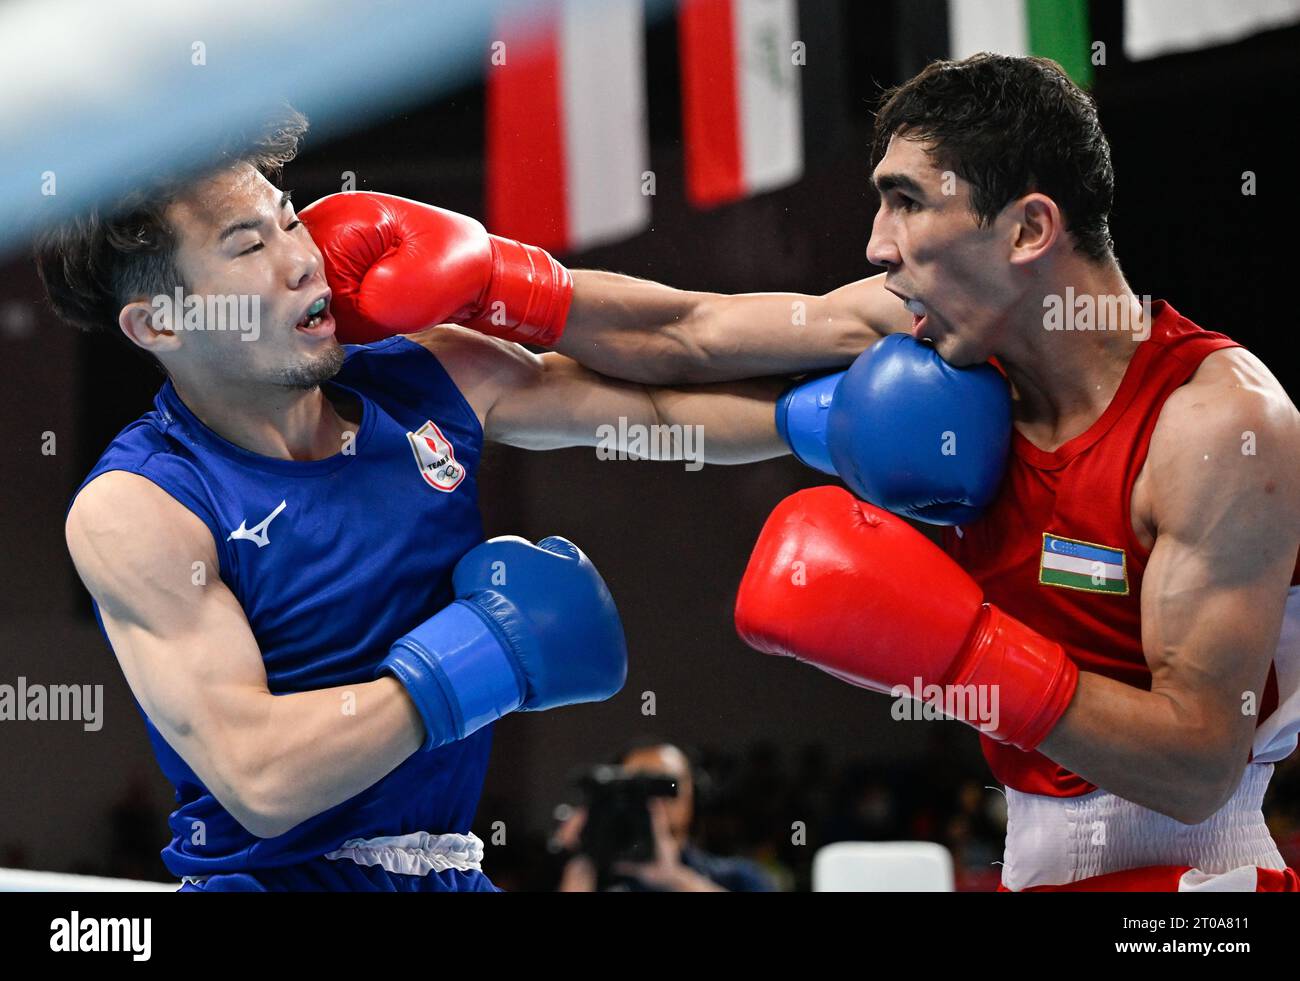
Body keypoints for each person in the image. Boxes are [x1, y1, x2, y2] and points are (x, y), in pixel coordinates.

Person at [42, 109, 985, 891]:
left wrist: (829, 418)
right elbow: (260, 774)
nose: (298, 258)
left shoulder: (422, 380)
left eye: (289, 218)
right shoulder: (142, 507)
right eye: (247, 245)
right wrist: (481, 656)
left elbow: (658, 393)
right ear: (158, 319)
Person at [731, 54, 1300, 891]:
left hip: (1196, 888)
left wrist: (962, 656)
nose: (875, 243)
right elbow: (686, 336)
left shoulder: (1221, 422)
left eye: (907, 200)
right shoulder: (961, 384)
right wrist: (516, 294)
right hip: (1026, 868)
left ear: (1029, 230)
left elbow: (1197, 771)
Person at [554, 742, 776, 892]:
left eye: (665, 787)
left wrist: (677, 879)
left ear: (692, 794)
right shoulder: (590, 879)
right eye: (633, 789)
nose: (653, 803)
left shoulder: (737, 878)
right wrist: (581, 859)